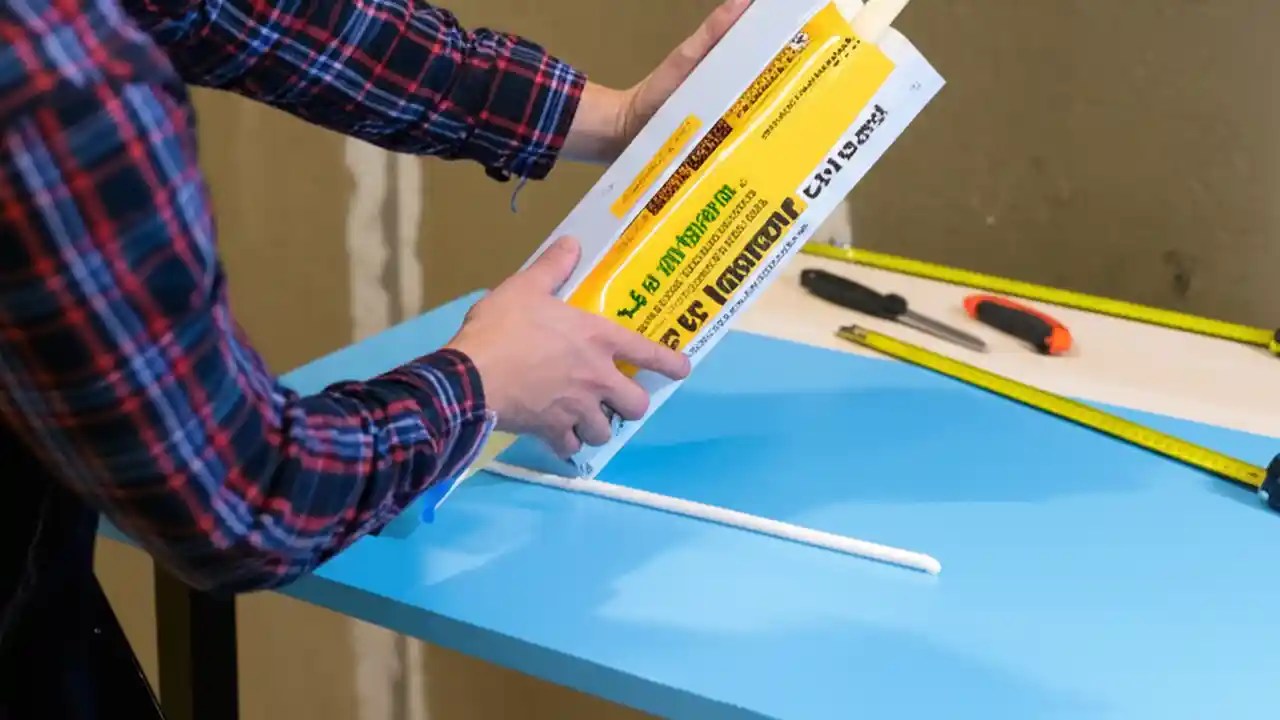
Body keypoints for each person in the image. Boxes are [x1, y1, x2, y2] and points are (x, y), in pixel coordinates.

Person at [0, 0, 749, 715]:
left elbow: (252, 18)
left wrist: (616, 118)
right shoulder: (50, 82)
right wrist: (481, 380)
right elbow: (242, 500)